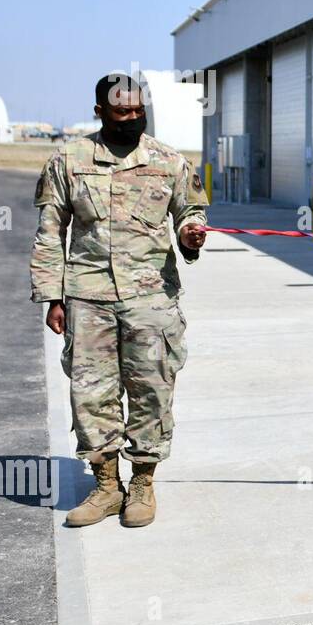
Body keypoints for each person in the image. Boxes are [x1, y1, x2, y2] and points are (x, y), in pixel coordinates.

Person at [30, 72, 209, 528]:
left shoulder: (170, 161)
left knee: (152, 388)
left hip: (152, 298)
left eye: (137, 110)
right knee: (92, 393)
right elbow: (51, 234)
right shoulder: (68, 160)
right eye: (121, 112)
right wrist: (52, 295)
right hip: (87, 297)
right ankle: (107, 486)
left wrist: (191, 235)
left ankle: (143, 484)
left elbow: (191, 214)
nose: (131, 118)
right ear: (100, 112)